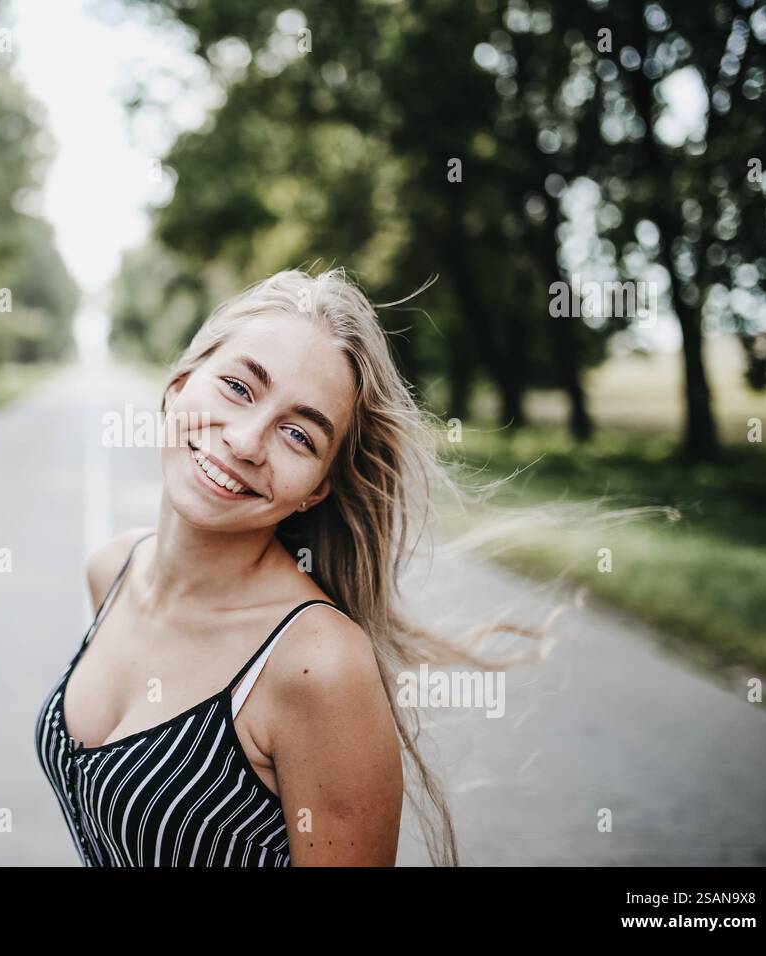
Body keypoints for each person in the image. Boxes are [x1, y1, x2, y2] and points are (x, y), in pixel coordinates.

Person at [34, 267, 488, 866]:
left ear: (316, 491)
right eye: (239, 388)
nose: (247, 441)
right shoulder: (112, 569)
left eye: (298, 435)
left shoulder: (316, 664)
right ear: (180, 383)